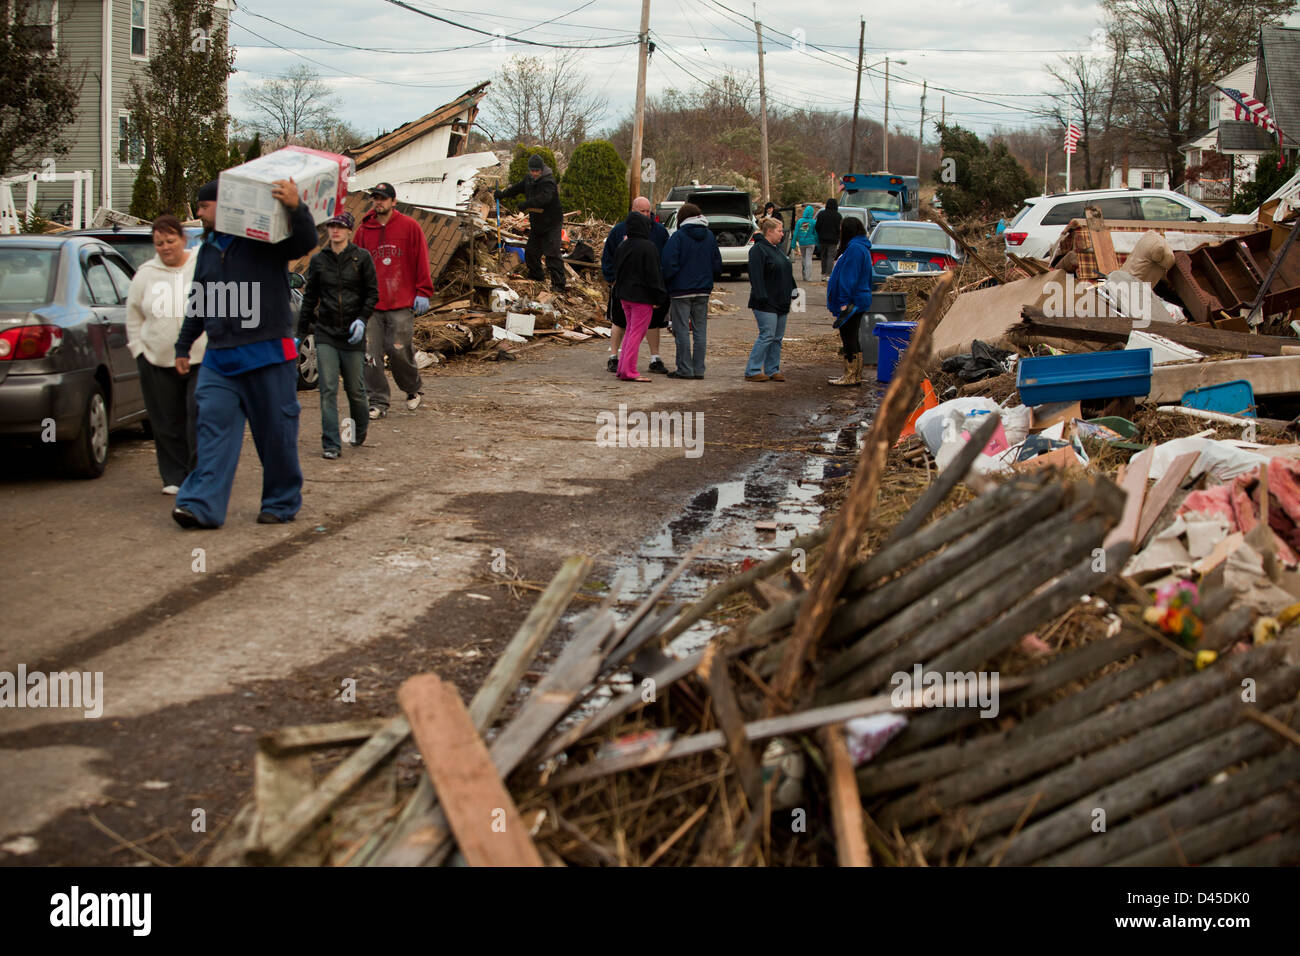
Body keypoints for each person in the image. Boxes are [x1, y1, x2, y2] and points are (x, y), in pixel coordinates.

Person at [171, 177, 319, 529]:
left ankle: (281, 502)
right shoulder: (208, 249)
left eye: (204, 206)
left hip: (267, 355)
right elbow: (200, 300)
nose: (198, 212)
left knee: (276, 436)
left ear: (224, 206)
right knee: (212, 431)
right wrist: (184, 344)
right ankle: (200, 504)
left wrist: (297, 208)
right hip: (220, 360)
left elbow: (304, 242)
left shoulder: (262, 237)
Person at [125, 213, 203, 494]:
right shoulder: (145, 274)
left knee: (198, 415)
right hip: (157, 360)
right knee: (166, 420)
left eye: (170, 241)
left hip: (200, 358)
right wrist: (138, 350)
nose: (166, 247)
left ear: (183, 239)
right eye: (159, 243)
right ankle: (173, 476)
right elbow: (133, 315)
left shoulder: (199, 266)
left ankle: (199, 474)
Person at [299, 211, 378, 459]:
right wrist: (299, 333)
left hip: (352, 334)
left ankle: (358, 429)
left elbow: (372, 294)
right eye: (332, 226)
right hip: (326, 334)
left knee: (356, 390)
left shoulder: (361, 258)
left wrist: (362, 320)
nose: (336, 230)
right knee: (328, 389)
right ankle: (331, 444)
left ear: (349, 230)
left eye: (341, 226)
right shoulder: (319, 261)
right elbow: (309, 298)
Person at [354, 182, 432, 420]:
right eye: (375, 198)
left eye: (383, 198)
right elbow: (355, 265)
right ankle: (378, 400)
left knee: (398, 351)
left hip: (401, 302)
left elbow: (421, 259)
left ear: (393, 201)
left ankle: (412, 389)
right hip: (372, 305)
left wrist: (423, 291)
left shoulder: (410, 227)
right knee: (369, 354)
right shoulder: (364, 231)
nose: (379, 202)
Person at [601, 196, 670, 375]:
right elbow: (609, 258)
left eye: (648, 211)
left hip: (640, 291)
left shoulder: (659, 233)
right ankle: (621, 363)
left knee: (644, 327)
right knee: (626, 327)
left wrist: (662, 286)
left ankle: (651, 359)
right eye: (642, 211)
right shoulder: (620, 233)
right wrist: (612, 279)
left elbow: (665, 261)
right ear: (633, 211)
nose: (647, 215)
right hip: (632, 292)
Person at [660, 202, 722, 379]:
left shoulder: (678, 237)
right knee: (700, 330)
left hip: (681, 291)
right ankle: (699, 369)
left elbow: (668, 263)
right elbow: (717, 263)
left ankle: (685, 369)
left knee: (681, 331)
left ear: (682, 218)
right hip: (703, 290)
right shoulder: (709, 236)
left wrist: (667, 282)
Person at [496, 155, 566, 292]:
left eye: (537, 171)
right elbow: (517, 188)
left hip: (552, 223)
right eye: (532, 171)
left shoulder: (548, 182)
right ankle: (537, 276)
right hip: (537, 223)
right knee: (531, 252)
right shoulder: (529, 179)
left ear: (541, 169)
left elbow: (544, 199)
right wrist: (503, 194)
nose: (534, 173)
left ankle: (559, 285)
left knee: (552, 254)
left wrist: (526, 204)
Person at [826, 217, 876, 387]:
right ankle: (855, 374)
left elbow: (849, 278)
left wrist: (843, 301)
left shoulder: (854, 249)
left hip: (852, 301)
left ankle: (850, 375)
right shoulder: (861, 248)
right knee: (853, 336)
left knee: (848, 337)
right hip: (860, 299)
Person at [744, 217, 796, 383]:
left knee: (777, 338)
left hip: (781, 300)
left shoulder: (778, 250)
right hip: (765, 302)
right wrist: (761, 296)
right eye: (779, 231)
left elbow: (787, 271)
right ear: (769, 231)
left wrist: (794, 291)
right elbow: (756, 276)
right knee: (767, 335)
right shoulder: (758, 250)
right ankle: (752, 370)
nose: (782, 234)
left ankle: (773, 369)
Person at [814, 197, 842, 280]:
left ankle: (823, 274)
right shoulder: (838, 216)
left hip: (822, 239)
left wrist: (820, 233)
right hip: (833, 240)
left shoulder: (821, 214)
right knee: (831, 256)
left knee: (823, 256)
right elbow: (839, 229)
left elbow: (817, 226)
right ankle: (828, 275)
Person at [791, 203, 819, 282]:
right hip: (811, 242)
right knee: (809, 259)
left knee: (803, 258)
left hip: (802, 242)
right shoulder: (813, 222)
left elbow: (796, 232)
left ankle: (804, 275)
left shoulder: (800, 221)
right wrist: (818, 242)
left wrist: (793, 243)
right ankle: (808, 277)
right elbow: (815, 233)